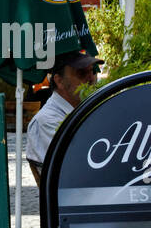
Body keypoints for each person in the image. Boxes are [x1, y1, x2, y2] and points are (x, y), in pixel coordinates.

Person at [25, 50, 101, 182]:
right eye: (82, 73)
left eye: (93, 71)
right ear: (59, 81)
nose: (91, 79)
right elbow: (79, 170)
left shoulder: (86, 110)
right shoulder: (46, 121)